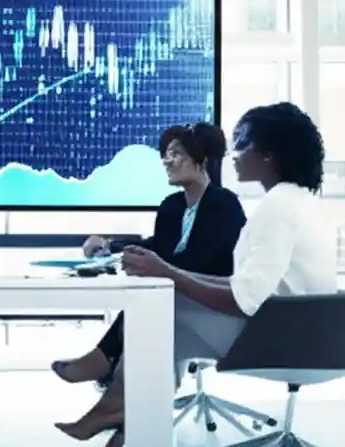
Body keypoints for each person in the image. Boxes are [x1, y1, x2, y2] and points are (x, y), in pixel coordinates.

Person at [54, 102, 338, 447]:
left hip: (283, 341)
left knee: (161, 308)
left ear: (269, 154)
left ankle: (115, 401)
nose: (232, 155)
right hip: (308, 333)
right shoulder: (299, 201)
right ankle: (124, 411)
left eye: (242, 144)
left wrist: (171, 274)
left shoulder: (276, 208)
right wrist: (168, 273)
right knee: (164, 316)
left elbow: (240, 298)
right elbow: (241, 283)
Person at [50, 123, 245, 400]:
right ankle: (118, 396)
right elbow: (157, 247)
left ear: (201, 160)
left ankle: (104, 366)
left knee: (150, 305)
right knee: (148, 304)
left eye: (175, 154)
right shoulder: (172, 206)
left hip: (210, 306)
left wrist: (158, 266)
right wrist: (107, 246)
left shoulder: (225, 205)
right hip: (175, 298)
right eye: (165, 154)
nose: (166, 161)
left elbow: (206, 264)